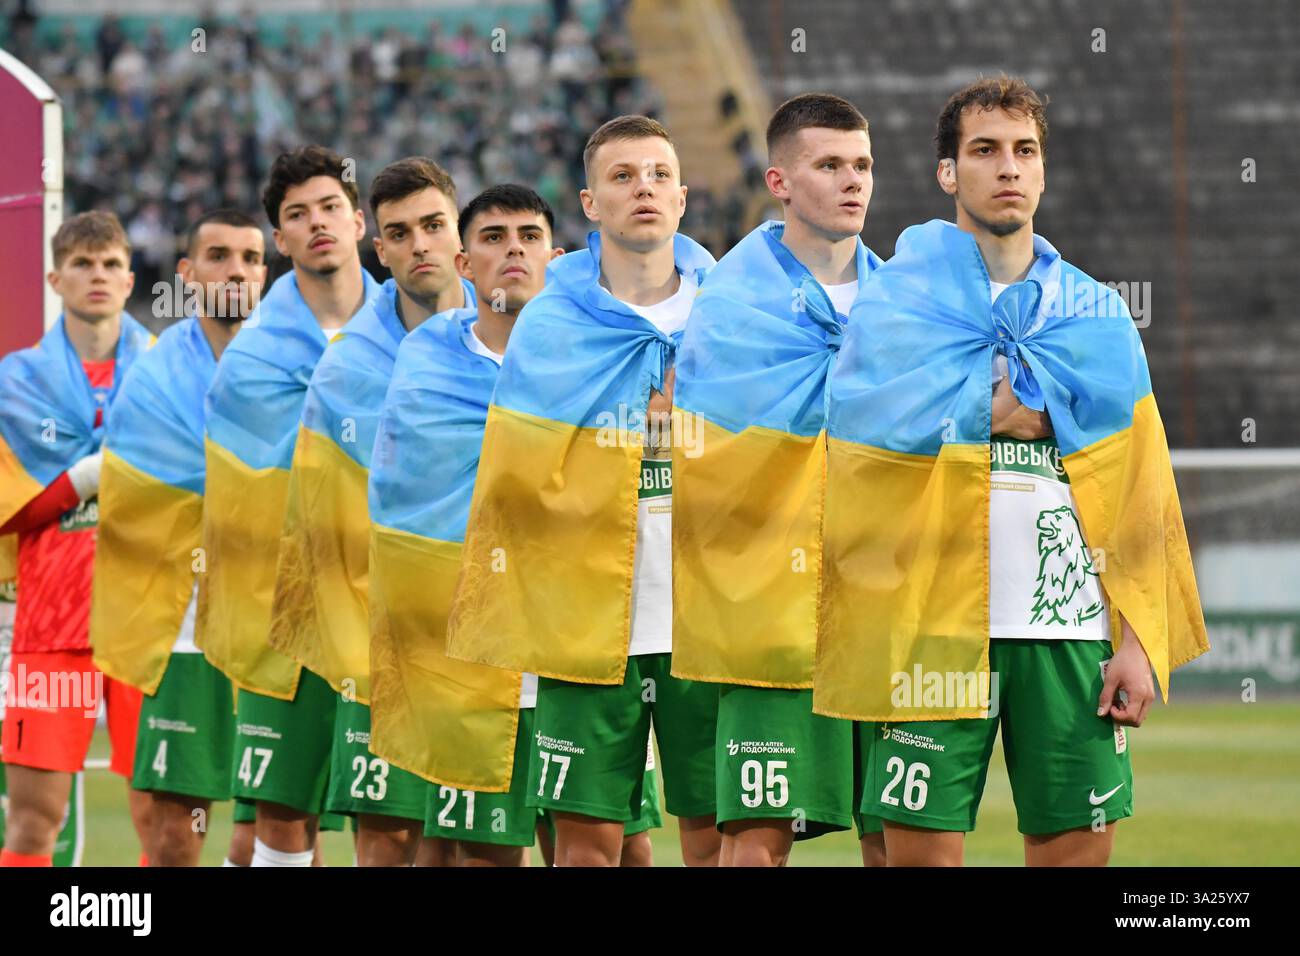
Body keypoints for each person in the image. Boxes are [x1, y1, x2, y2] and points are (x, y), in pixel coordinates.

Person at [815, 76, 1210, 866]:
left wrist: (1137, 639)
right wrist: (983, 410)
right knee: (915, 857)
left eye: (1024, 151)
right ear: (948, 174)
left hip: (1065, 630)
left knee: (1073, 854)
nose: (1008, 167)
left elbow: (1137, 488)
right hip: (928, 624)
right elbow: (851, 446)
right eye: (985, 150)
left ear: (1042, 169)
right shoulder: (896, 303)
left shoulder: (1094, 315)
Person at [445, 117, 720, 867]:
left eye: (660, 175)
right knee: (587, 853)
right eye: (624, 176)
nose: (645, 189)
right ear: (591, 203)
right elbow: (519, 477)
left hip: (712, 615)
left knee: (716, 845)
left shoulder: (730, 312)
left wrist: (678, 424)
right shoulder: (551, 324)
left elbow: (773, 453)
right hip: (584, 621)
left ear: (684, 197)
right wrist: (644, 427)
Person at [368, 184, 661, 866]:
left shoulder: (603, 360)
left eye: (529, 236)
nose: (513, 251)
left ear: (555, 258)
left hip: (579, 643)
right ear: (464, 264)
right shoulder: (427, 366)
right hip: (474, 651)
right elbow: (410, 502)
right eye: (493, 238)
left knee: (623, 851)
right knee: (481, 857)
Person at [672, 93, 886, 867]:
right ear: (780, 182)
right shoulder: (732, 302)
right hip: (771, 599)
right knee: (757, 837)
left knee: (901, 837)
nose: (851, 181)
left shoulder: (904, 299)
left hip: (887, 597)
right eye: (828, 165)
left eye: (861, 165)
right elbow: (714, 460)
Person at [268, 156, 473, 867]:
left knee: (477, 845)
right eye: (399, 232)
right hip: (381, 637)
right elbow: (320, 524)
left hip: (489, 639)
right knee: (386, 841)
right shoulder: (347, 367)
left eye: (433, 225)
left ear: (460, 236)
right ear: (377, 248)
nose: (420, 244)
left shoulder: (520, 338)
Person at [200, 146, 379, 867]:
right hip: (290, 610)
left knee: (392, 820)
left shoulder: (419, 331)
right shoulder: (252, 358)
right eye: (297, 216)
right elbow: (244, 494)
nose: (317, 225)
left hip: (392, 607)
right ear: (281, 240)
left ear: (359, 220)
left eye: (330, 208)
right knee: (279, 819)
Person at [91, 209, 267, 867]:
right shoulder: (155, 374)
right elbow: (132, 491)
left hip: (275, 633)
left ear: (264, 275)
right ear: (188, 273)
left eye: (250, 258)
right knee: (173, 839)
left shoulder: (299, 365)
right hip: (186, 630)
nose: (236, 270)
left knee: (277, 836)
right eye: (218, 256)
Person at [0, 211, 153, 867]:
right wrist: (88, 476)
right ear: (55, 279)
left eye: (111, 264)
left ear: (130, 278)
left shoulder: (165, 371)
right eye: (84, 264)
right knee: (35, 822)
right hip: (51, 622)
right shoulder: (14, 380)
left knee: (167, 822)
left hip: (151, 621)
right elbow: (6, 509)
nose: (98, 276)